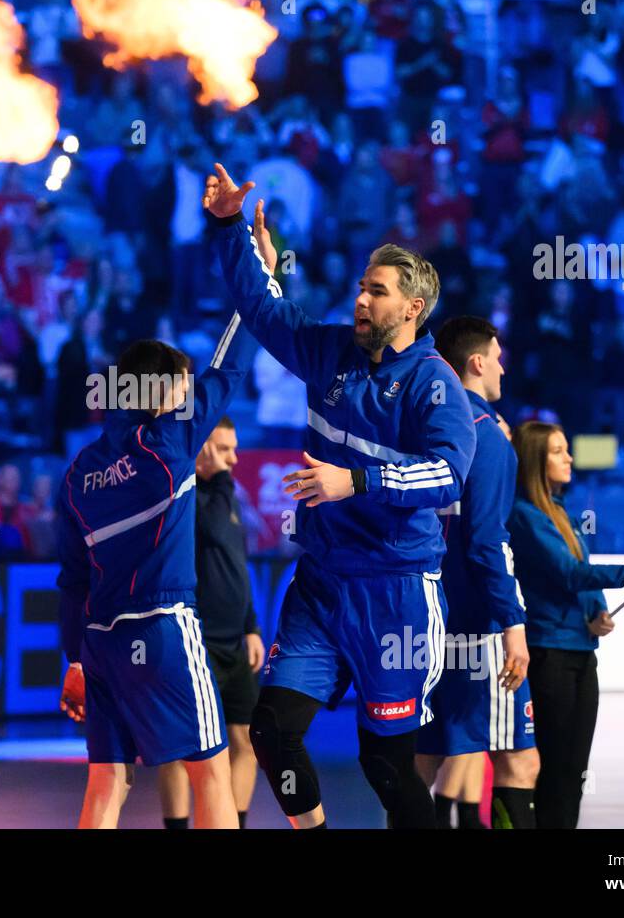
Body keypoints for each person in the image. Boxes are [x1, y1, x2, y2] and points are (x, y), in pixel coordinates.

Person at [204, 164, 476, 829]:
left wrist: (355, 481)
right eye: (359, 288)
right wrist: (228, 226)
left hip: (398, 592)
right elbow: (264, 311)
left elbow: (447, 477)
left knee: (385, 764)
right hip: (322, 583)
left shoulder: (437, 387)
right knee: (270, 730)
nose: (360, 301)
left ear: (412, 308)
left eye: (376, 292)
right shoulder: (331, 353)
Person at [56, 211, 258, 830]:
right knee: (211, 771)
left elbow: (71, 580)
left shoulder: (80, 471)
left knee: (107, 783)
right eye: (182, 385)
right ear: (166, 392)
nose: (189, 392)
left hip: (101, 643)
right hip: (167, 629)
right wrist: (260, 278)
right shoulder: (170, 446)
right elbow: (232, 363)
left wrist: (74, 661)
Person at [508, 421, 624, 828]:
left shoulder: (557, 509)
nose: (569, 457)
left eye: (566, 449)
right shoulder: (525, 515)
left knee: (575, 769)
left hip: (582, 652)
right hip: (551, 652)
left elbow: (580, 573)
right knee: (557, 766)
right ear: (535, 460)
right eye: (557, 451)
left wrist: (596, 613)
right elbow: (569, 573)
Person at [413, 317, 538, 829]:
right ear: (477, 362)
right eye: (498, 355)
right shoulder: (485, 436)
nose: (504, 366)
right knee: (518, 760)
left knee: (422, 758)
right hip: (478, 626)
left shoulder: (421, 424)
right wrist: (512, 623)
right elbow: (488, 540)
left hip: (420, 619)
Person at [155, 416, 264, 829]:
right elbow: (215, 530)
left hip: (234, 644)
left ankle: (234, 823)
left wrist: (251, 626)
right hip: (194, 646)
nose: (234, 459)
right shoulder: (186, 496)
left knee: (246, 742)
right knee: (185, 751)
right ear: (199, 447)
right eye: (223, 449)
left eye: (235, 448)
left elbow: (236, 562)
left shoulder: (225, 493)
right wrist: (218, 482)